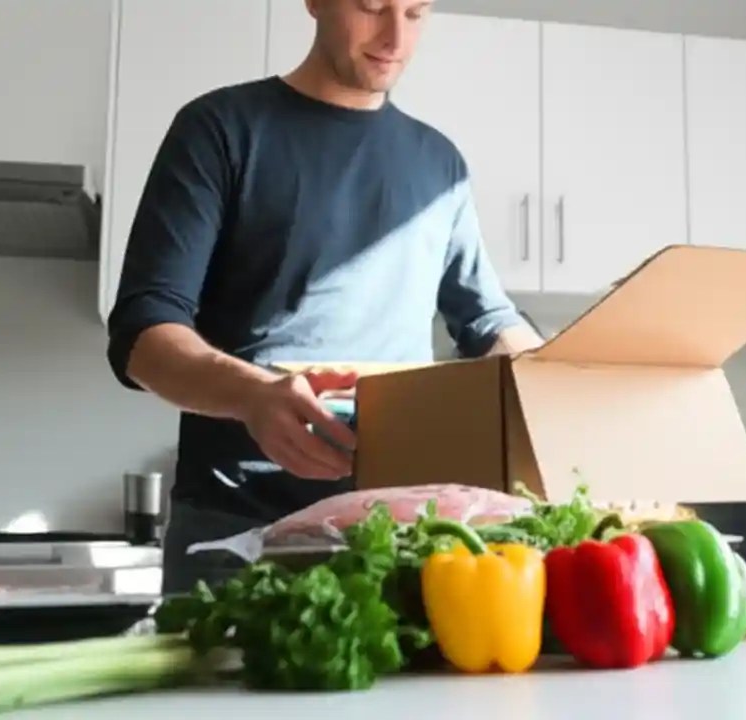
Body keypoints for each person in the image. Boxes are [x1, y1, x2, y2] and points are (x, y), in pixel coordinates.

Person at [105, 0, 543, 594]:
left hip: (398, 531)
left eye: (415, 14)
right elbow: (143, 331)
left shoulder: (440, 165)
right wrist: (253, 395)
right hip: (235, 526)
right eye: (371, 7)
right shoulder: (220, 128)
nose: (394, 37)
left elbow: (488, 320)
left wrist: (561, 384)